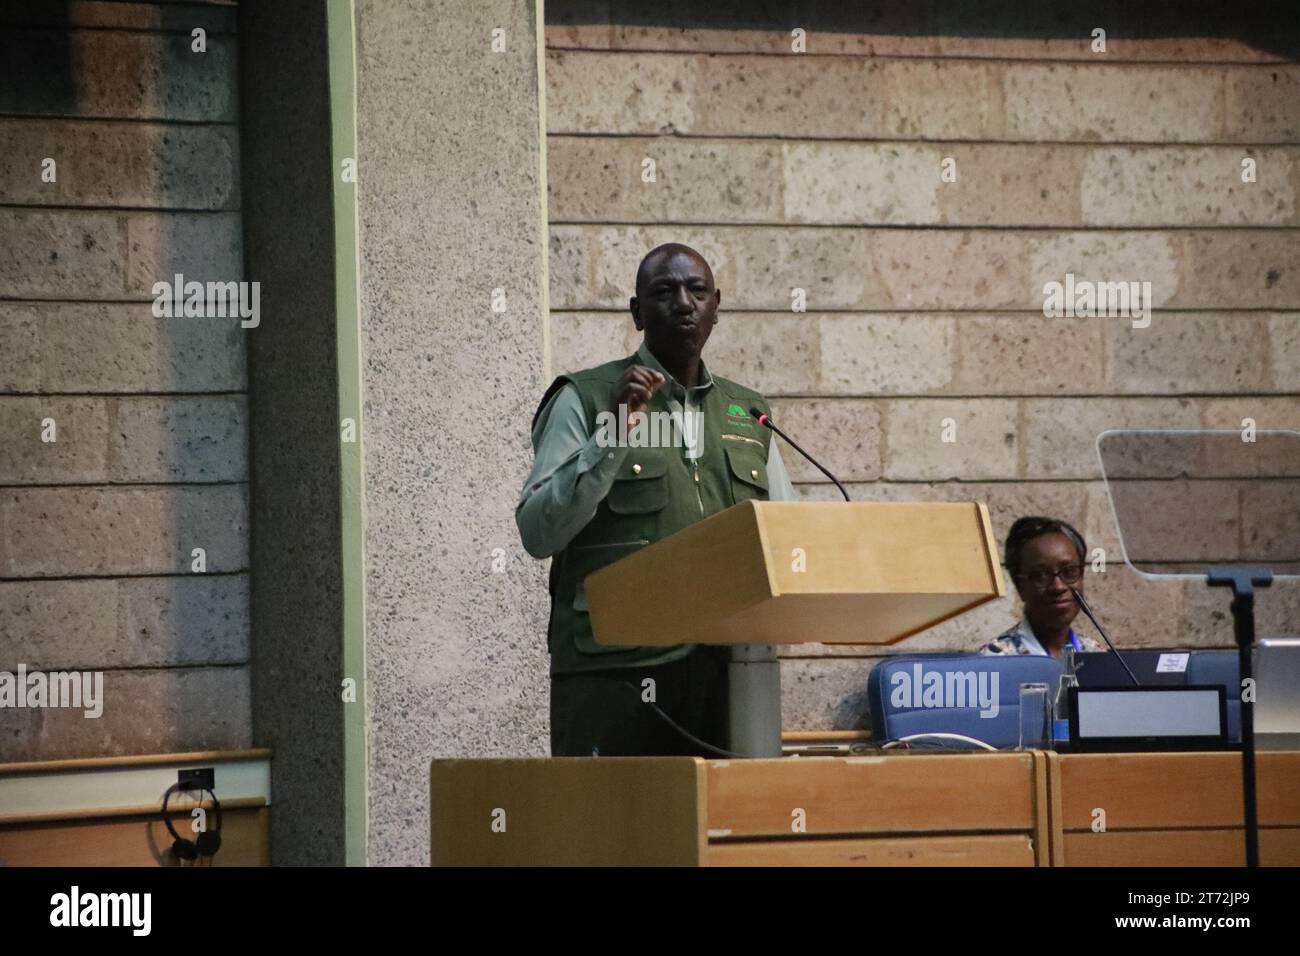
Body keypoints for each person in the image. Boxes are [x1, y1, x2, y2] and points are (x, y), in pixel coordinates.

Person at [517, 243, 796, 757]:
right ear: (637, 312)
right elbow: (539, 530)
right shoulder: (585, 397)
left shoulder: (749, 414)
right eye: (664, 292)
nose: (684, 303)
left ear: (717, 305)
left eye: (697, 290)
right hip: (613, 674)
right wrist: (616, 429)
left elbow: (790, 540)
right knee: (612, 831)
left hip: (726, 672)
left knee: (717, 831)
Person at [982, 516, 1105, 658]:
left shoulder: (1095, 653)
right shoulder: (996, 659)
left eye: (1069, 572)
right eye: (1041, 575)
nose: (1058, 587)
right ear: (1019, 585)